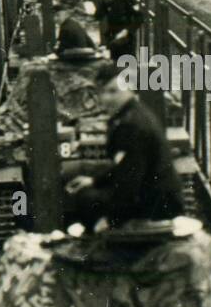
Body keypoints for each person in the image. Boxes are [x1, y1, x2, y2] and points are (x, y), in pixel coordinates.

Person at [65, 61, 184, 230]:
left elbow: (129, 184)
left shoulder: (131, 126)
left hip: (156, 206)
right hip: (155, 197)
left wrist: (111, 220)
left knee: (86, 200)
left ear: (129, 89)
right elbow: (125, 167)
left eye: (113, 91)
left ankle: (104, 246)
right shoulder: (131, 113)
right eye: (103, 92)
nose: (106, 98)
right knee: (88, 194)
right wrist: (94, 181)